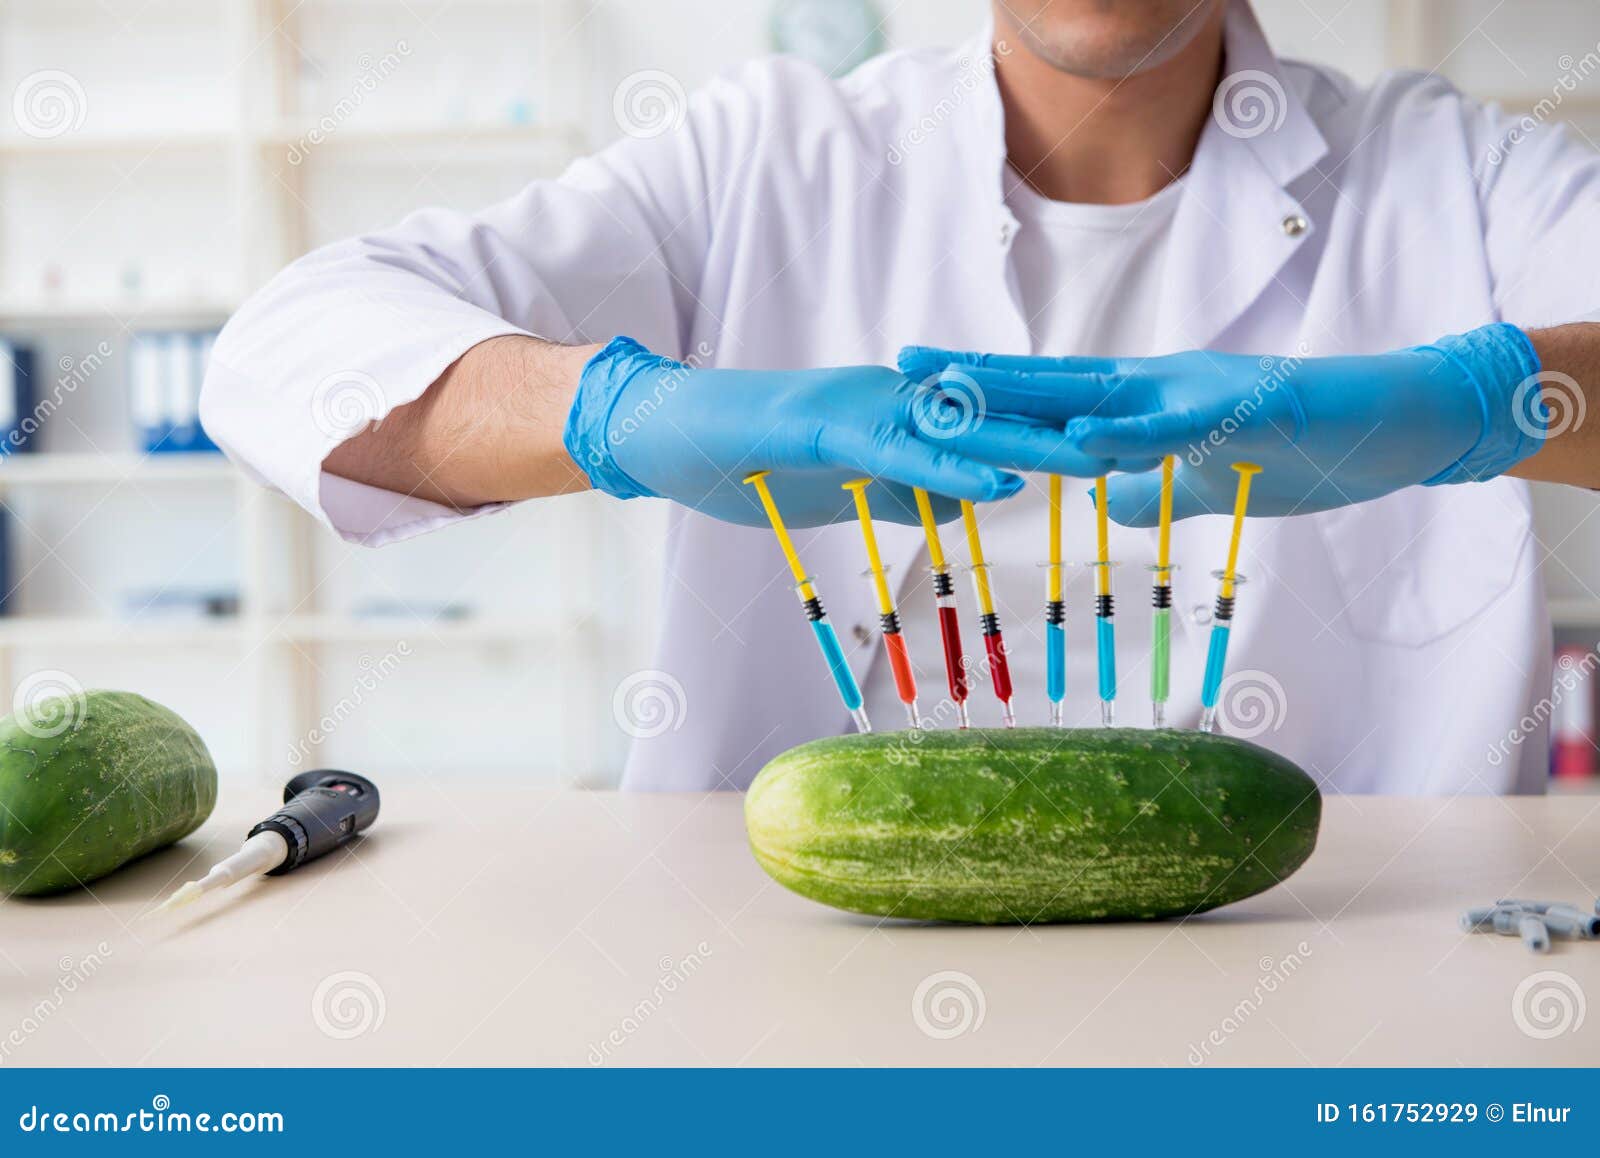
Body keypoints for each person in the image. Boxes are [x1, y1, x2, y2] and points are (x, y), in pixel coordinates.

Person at [201, 0, 1600, 793]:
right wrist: (625, 419)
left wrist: (1474, 402)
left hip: (1346, 975)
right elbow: (286, 351)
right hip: (792, 984)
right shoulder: (766, 155)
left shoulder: (1454, 175)